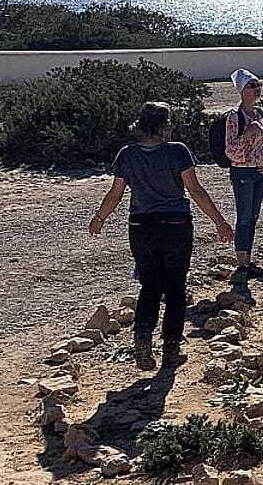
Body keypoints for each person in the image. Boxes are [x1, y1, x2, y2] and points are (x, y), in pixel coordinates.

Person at [90, 102, 235, 371]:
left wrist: (99, 219)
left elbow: (115, 193)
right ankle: (171, 348)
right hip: (175, 225)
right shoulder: (178, 151)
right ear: (164, 126)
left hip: (141, 226)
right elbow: (195, 190)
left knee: (150, 286)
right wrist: (220, 223)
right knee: (175, 288)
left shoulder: (127, 154)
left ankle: (143, 336)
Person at [226, 68, 263, 284]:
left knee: (253, 216)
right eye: (252, 86)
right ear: (242, 90)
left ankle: (247, 260)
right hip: (243, 171)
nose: (257, 89)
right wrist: (247, 135)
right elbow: (230, 149)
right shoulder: (234, 117)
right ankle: (241, 264)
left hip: (260, 171)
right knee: (244, 216)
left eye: (258, 85)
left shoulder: (260, 113)